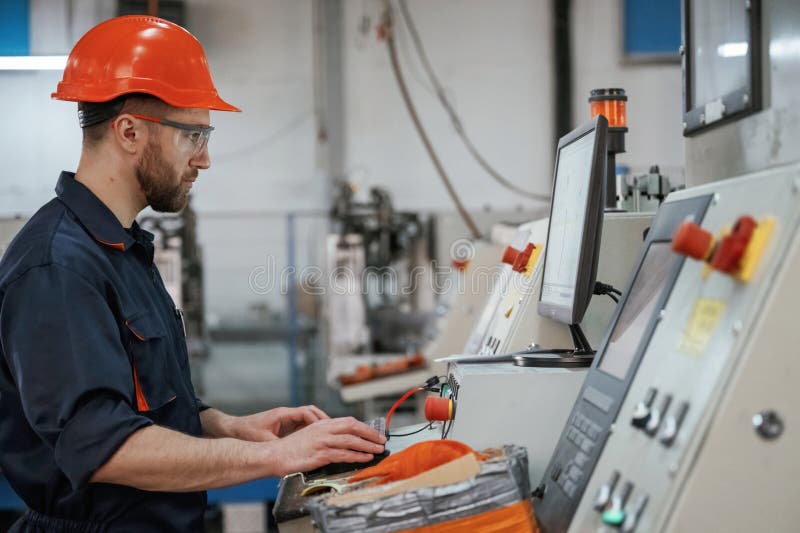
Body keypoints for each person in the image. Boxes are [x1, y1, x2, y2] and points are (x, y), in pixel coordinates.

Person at [0, 15, 385, 532]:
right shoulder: (59, 268)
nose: (204, 159)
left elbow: (143, 404)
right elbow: (105, 447)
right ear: (130, 132)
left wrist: (232, 427)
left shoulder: (121, 249)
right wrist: (279, 457)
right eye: (193, 135)